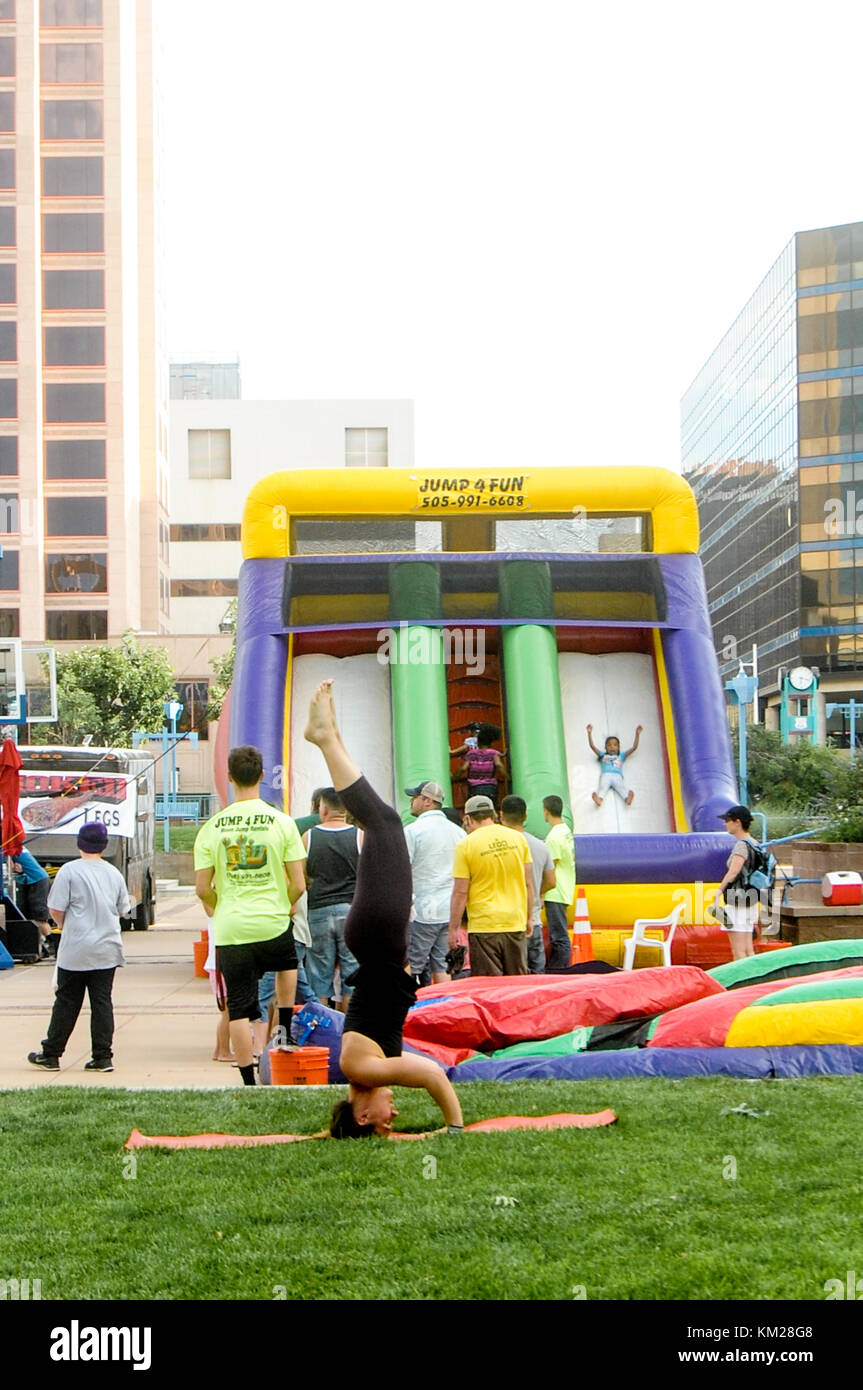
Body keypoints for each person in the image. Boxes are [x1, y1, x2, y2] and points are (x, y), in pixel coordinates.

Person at [302, 679, 463, 1138]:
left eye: (385, 1120)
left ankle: (325, 738)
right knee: (382, 822)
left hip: (377, 938)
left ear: (362, 1115)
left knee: (385, 822)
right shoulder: (367, 1067)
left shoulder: (365, 1069)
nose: (394, 1114)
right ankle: (331, 735)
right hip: (378, 942)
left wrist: (452, 1128)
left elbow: (433, 1076)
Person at [194, 745, 306, 1086]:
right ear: (262, 776)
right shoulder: (282, 822)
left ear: (229, 777)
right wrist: (285, 904)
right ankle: (283, 1027)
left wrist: (220, 906)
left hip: (231, 927)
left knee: (240, 1006)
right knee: (286, 965)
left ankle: (247, 1079)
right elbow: (299, 884)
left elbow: (202, 888)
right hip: (272, 920)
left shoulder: (212, 827)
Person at [27, 821, 131, 1072]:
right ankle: (103, 1057)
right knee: (102, 1002)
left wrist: (66, 925)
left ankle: (52, 1053)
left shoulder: (69, 871)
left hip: (76, 948)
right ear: (104, 845)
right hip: (107, 947)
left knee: (67, 1001)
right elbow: (123, 909)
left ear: (80, 843)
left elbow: (55, 908)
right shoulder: (114, 873)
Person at [448, 793, 533, 976]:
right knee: (517, 983)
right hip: (514, 921)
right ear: (493, 815)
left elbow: (461, 892)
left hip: (484, 926)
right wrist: (529, 918)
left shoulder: (465, 845)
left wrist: (453, 929)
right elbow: (528, 883)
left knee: (489, 985)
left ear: (468, 818)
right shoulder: (518, 839)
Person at [302, 787, 360, 1010]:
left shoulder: (308, 837)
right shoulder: (359, 836)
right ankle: (349, 1026)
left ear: (323, 808)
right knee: (352, 976)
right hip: (351, 911)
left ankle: (323, 1024)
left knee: (318, 976)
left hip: (318, 910)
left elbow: (301, 876)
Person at [403, 780, 466, 985]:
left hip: (421, 911)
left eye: (414, 797)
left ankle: (407, 1003)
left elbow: (403, 870)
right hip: (449, 911)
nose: (411, 801)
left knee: (411, 965)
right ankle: (444, 1003)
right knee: (442, 966)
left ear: (427, 801)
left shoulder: (412, 831)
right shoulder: (459, 832)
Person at [499, 795, 555, 974]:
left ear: (501, 815)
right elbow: (551, 881)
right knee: (537, 974)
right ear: (525, 816)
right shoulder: (540, 846)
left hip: (506, 921)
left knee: (512, 976)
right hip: (534, 919)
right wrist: (537, 893)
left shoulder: (498, 847)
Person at [713, 804, 761, 961]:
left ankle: (742, 977)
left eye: (727, 820)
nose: (725, 824)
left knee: (738, 951)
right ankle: (754, 975)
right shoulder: (755, 844)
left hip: (737, 900)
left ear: (737, 822)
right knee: (748, 950)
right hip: (750, 900)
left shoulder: (742, 845)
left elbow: (733, 872)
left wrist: (719, 892)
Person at [542, 795, 576, 971]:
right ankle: (559, 968)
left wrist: (541, 890)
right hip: (564, 887)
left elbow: (551, 866)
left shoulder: (554, 837)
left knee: (558, 936)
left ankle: (560, 970)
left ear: (546, 811)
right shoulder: (565, 831)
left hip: (554, 891)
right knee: (559, 934)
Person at [587, 725, 642, 807]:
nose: (612, 747)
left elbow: (634, 747)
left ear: (619, 747)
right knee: (603, 787)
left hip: (617, 775)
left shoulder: (621, 756)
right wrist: (589, 733)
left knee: (621, 787)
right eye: (609, 745)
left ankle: (627, 799)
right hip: (606, 775)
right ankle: (599, 800)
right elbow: (592, 746)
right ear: (605, 748)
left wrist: (637, 734)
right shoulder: (603, 755)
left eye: (615, 745)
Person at [456, 722, 506, 808]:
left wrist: (455, 777)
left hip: (474, 788)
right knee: (490, 808)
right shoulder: (494, 753)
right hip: (490, 788)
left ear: (478, 742)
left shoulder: (471, 754)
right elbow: (499, 765)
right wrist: (507, 777)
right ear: (490, 743)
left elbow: (463, 768)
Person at [12, 847, 52, 954]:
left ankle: (51, 943)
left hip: (37, 881)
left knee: (39, 917)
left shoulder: (10, 848)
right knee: (34, 916)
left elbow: (9, 866)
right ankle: (44, 942)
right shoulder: (18, 847)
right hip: (37, 879)